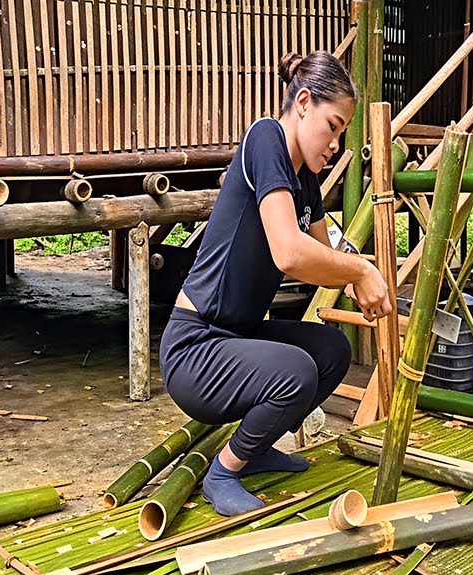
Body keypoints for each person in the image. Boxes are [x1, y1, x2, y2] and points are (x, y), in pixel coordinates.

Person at [160, 51, 393, 516]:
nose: (335, 144)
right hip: (196, 348)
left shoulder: (305, 178)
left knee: (331, 351)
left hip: (237, 337)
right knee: (295, 371)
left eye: (343, 133)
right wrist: (361, 273)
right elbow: (290, 252)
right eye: (333, 125)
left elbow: (326, 255)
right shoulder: (265, 139)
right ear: (303, 102)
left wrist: (364, 276)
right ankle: (223, 471)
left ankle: (256, 449)